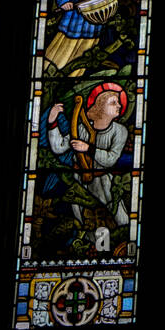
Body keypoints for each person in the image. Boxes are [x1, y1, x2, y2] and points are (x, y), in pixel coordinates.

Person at [43, 83, 129, 228]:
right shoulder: (82, 128)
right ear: (100, 106)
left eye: (119, 102)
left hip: (104, 183)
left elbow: (111, 160)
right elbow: (59, 147)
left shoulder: (119, 131)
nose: (119, 105)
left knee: (119, 220)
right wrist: (52, 122)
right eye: (114, 102)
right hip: (80, 183)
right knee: (84, 223)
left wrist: (88, 148)